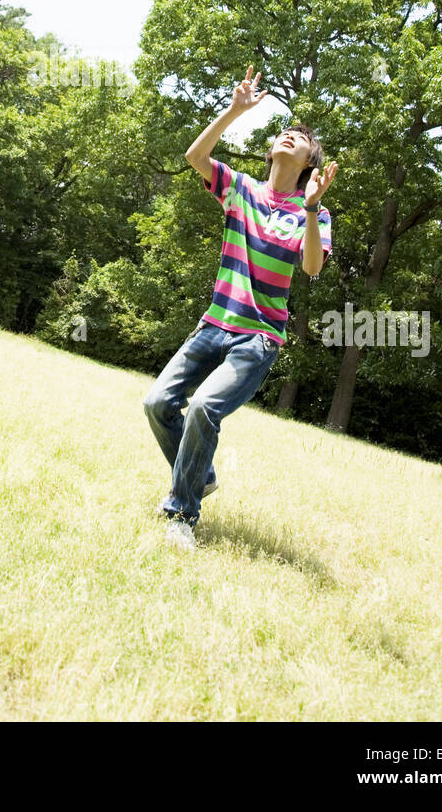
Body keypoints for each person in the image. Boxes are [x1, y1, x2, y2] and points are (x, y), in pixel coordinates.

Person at [143, 65, 338, 550]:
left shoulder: (313, 213)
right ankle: (200, 474)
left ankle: (181, 516)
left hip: (257, 340)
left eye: (300, 139)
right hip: (213, 324)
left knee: (205, 408)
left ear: (310, 163)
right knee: (157, 403)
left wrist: (312, 209)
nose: (289, 136)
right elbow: (195, 155)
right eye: (284, 131)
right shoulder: (242, 189)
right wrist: (235, 109)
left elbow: (311, 267)